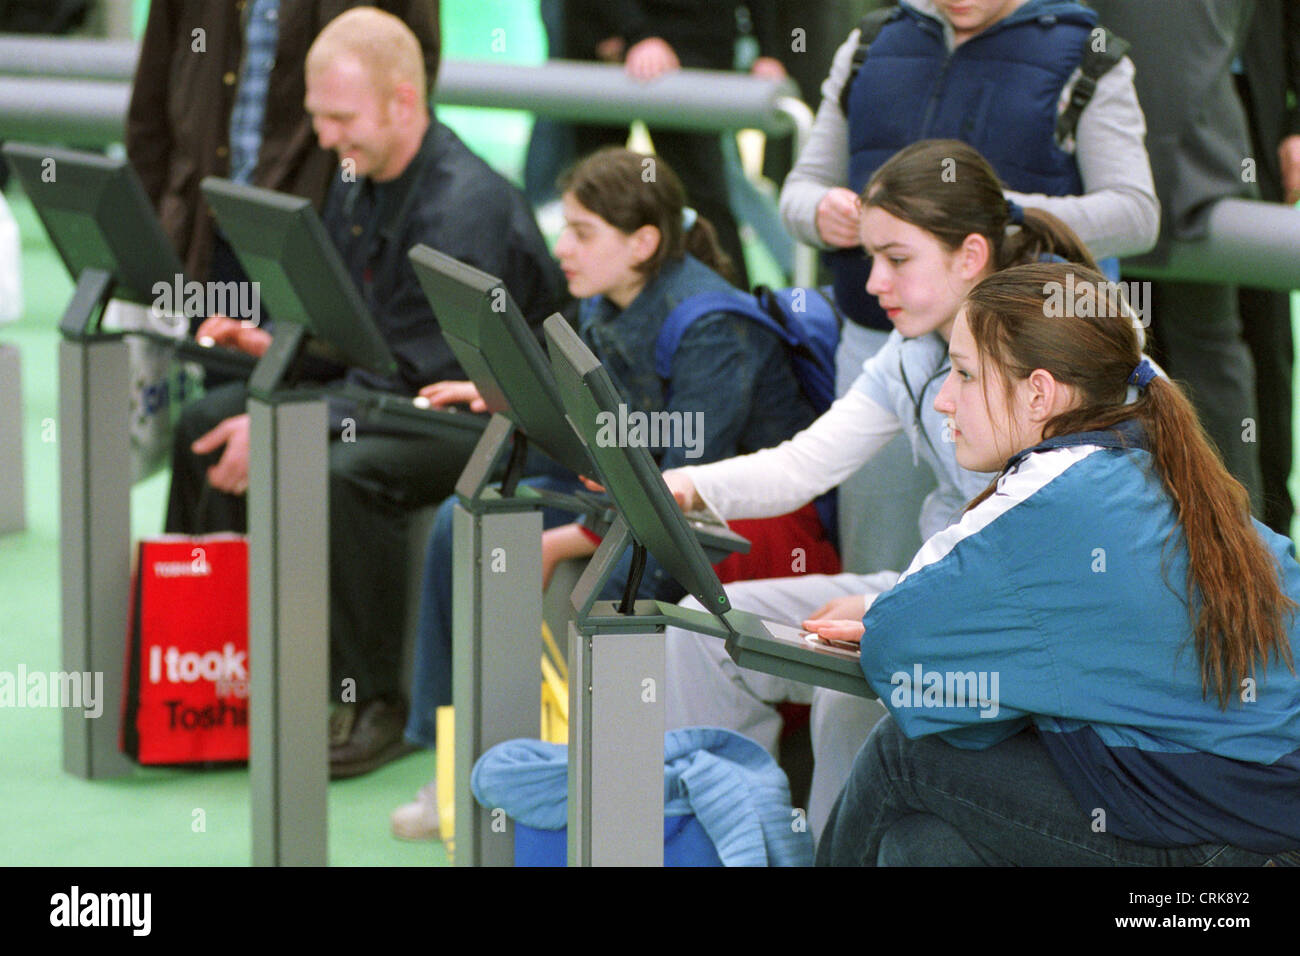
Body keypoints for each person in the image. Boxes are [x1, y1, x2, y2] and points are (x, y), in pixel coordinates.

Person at [662, 139, 1108, 842]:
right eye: (871, 258)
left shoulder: (1068, 357)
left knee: (852, 700)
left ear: (969, 257)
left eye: (897, 259)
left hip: (996, 618)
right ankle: (724, 850)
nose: (872, 283)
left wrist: (886, 608)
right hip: (926, 588)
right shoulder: (911, 353)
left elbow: (1032, 569)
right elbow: (801, 465)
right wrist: (681, 484)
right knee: (698, 629)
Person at [163, 7, 566, 778]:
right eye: (318, 118)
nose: (322, 139)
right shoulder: (361, 175)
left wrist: (295, 418)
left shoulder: (459, 210)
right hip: (400, 391)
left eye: (339, 119)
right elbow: (364, 337)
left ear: (404, 103)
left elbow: (416, 375)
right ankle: (214, 659)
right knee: (205, 420)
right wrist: (278, 346)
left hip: (485, 418)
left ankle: (376, 701)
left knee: (338, 469)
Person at [390, 146, 823, 839]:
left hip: (726, 526)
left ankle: (589, 778)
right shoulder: (603, 302)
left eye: (582, 232)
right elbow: (594, 422)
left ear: (643, 243)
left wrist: (564, 538)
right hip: (627, 494)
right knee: (460, 521)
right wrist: (501, 393)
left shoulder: (713, 326)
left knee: (613, 572)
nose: (561, 246)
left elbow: (685, 485)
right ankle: (455, 758)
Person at [811, 261, 1300, 867]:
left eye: (963, 373)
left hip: (1229, 852)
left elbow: (900, 653)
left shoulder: (1051, 490)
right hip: (1248, 825)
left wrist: (951, 654)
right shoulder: (1149, 458)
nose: (943, 399)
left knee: (902, 756)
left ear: (1039, 392)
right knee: (925, 847)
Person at [780, 0, 1159, 578]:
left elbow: (1136, 212)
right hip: (875, 339)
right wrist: (819, 212)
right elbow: (800, 190)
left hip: (1018, 354)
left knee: (1005, 566)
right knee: (876, 564)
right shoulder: (869, 42)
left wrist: (994, 211)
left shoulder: (1091, 53)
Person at [126, 0, 440, 284]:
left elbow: (407, 72)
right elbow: (151, 95)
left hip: (320, 233)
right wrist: (142, 241)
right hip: (201, 229)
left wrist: (359, 208)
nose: (328, 132)